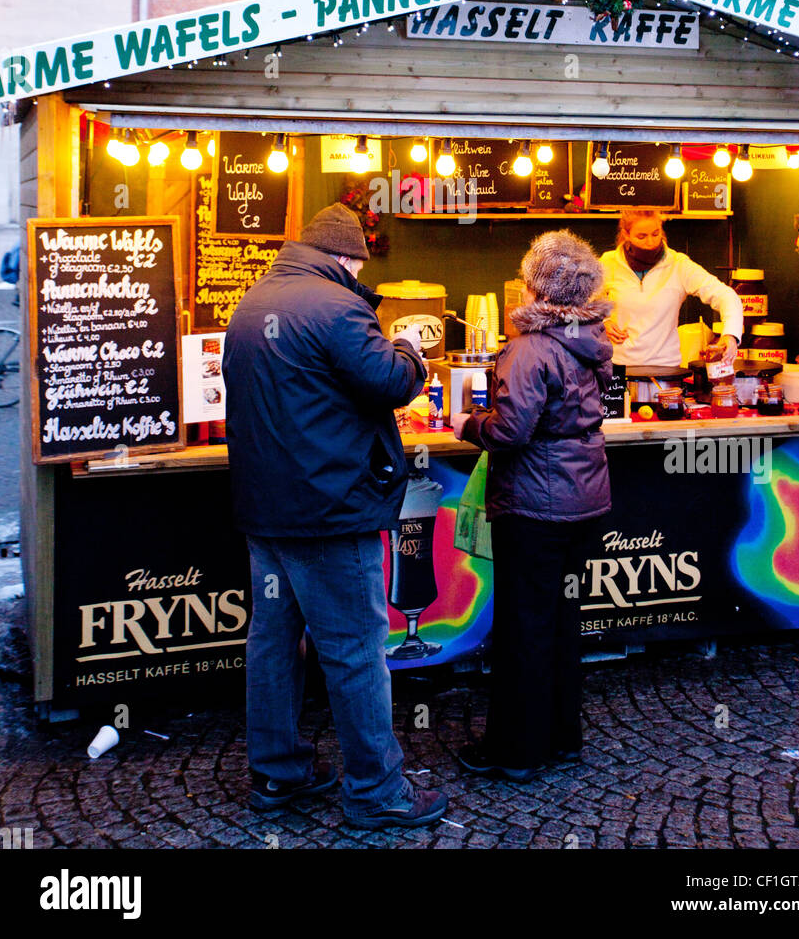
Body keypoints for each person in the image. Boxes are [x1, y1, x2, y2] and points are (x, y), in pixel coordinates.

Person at [222, 201, 448, 829]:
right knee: (353, 651)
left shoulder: (253, 300)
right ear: (347, 259)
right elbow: (391, 383)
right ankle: (377, 793)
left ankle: (278, 774)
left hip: (266, 509)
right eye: (358, 266)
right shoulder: (338, 304)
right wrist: (408, 346)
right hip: (329, 511)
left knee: (273, 643)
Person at [451, 229, 613, 781]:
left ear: (537, 289)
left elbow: (512, 431)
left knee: (524, 627)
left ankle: (516, 753)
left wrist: (468, 423)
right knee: (561, 623)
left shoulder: (528, 349)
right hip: (583, 502)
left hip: (535, 508)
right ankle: (562, 739)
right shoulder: (590, 341)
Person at [600, 207, 743, 368]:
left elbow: (726, 295)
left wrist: (731, 334)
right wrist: (602, 321)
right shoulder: (608, 263)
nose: (650, 242)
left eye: (655, 234)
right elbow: (581, 303)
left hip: (665, 370)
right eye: (642, 236)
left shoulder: (678, 265)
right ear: (626, 234)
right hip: (617, 368)